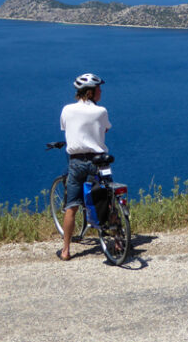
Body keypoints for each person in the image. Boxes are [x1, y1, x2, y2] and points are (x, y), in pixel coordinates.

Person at [58, 73, 111, 261]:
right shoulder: (101, 111)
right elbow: (105, 128)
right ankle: (119, 240)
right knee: (108, 198)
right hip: (100, 161)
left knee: (71, 207)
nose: (101, 91)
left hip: (77, 162)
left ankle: (65, 250)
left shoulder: (67, 110)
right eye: (98, 89)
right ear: (90, 92)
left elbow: (66, 129)